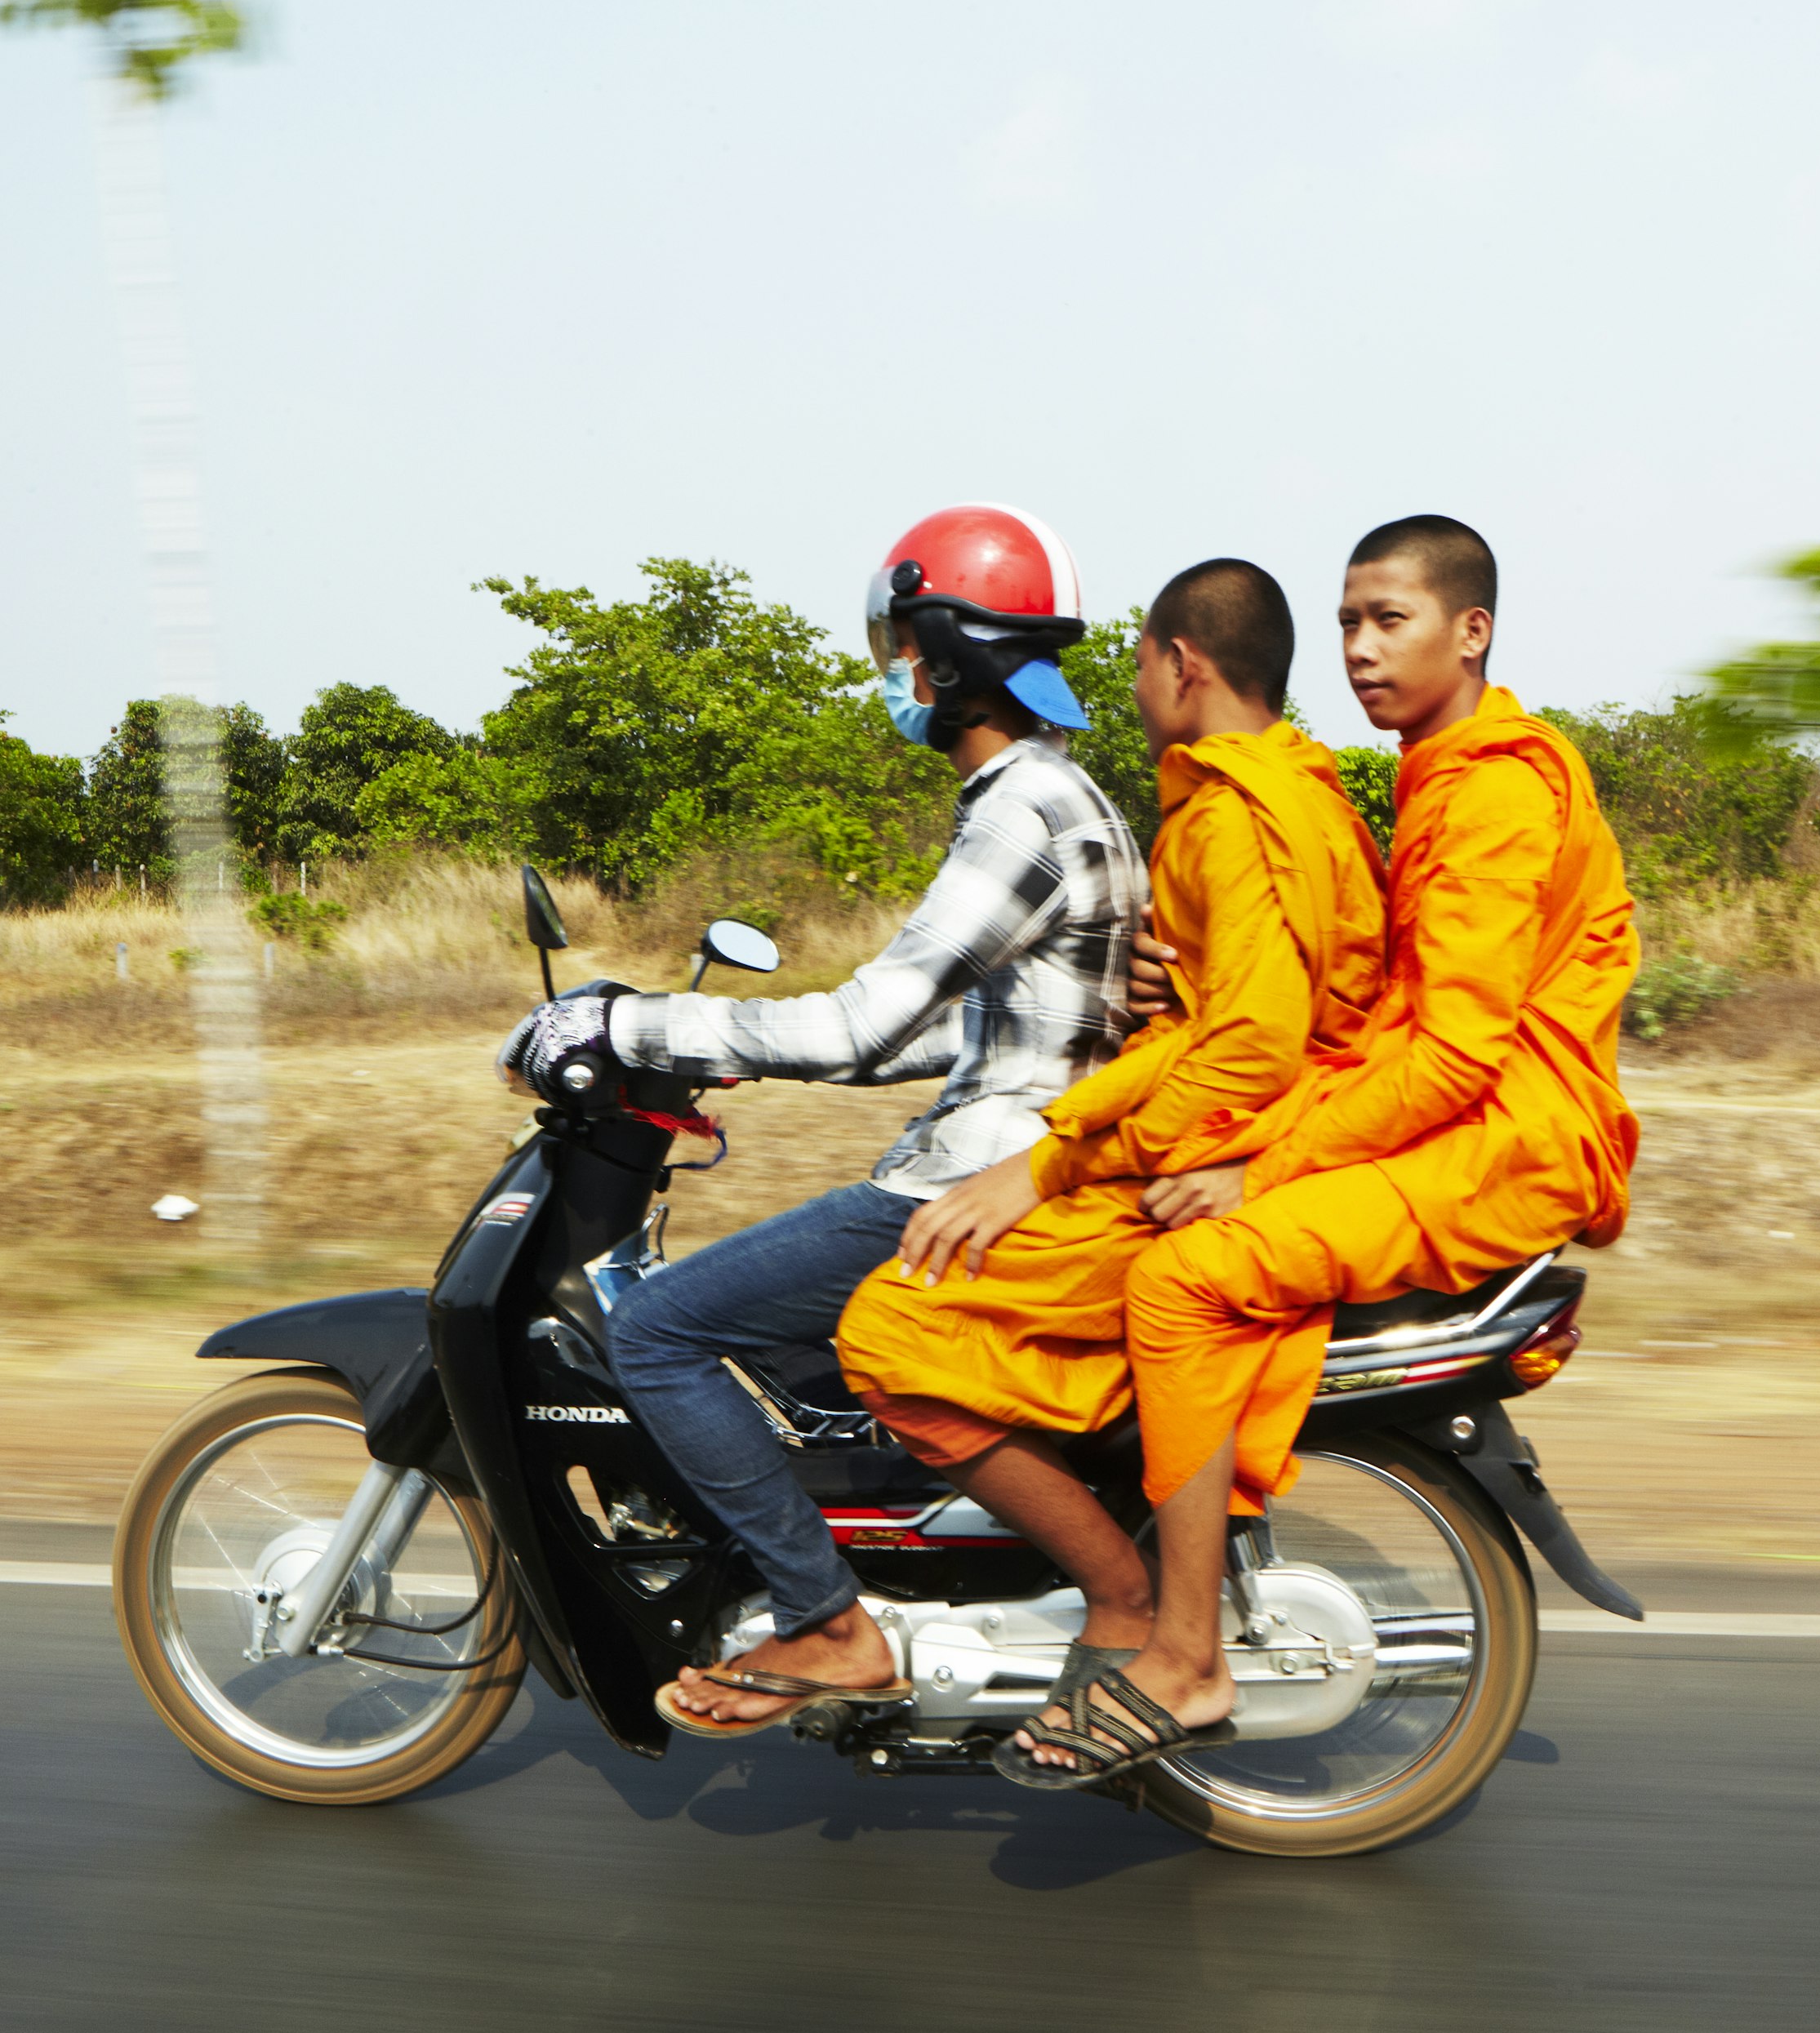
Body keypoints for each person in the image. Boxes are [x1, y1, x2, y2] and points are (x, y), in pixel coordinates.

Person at [1003, 514, 1640, 1784]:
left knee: (1185, 1276)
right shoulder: (1432, 770)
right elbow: (1385, 999)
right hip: (1438, 1113)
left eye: (1387, 619)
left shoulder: (1500, 785)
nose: (1357, 648)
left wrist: (1262, 1166)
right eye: (1347, 621)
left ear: (1474, 630)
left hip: (1507, 1141)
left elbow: (1455, 1054)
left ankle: (1183, 1654)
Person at [498, 503, 1146, 1738]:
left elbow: (860, 1022)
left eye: (905, 644)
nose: (895, 671)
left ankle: (829, 1621)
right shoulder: (1065, 797)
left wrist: (632, 1027)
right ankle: (882, 1573)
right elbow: (950, 1037)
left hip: (992, 1176)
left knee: (666, 1330)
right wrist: (741, 1057)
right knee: (799, 1362)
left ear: (948, 652)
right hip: (1037, 1157)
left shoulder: (1022, 808)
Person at [828, 559, 1384, 1768]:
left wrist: (1047, 1167)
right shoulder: (1287, 794)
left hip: (1212, 1155)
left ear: (1183, 663)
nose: (1128, 690)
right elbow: (1224, 1009)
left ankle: (1124, 1605)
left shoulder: (1238, 812)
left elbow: (1247, 1048)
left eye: (1136, 663)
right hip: (1222, 1131)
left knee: (890, 1333)